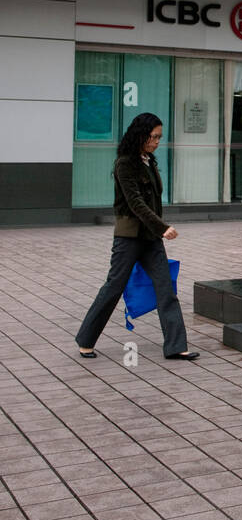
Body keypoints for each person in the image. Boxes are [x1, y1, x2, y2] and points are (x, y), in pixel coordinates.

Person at [76, 113, 198, 360]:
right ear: (140, 135)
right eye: (153, 137)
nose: (156, 142)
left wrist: (157, 231)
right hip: (129, 238)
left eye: (159, 137)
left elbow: (152, 201)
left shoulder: (149, 162)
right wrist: (163, 227)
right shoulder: (124, 164)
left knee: (166, 289)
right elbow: (136, 203)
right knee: (113, 288)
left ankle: (176, 346)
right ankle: (86, 340)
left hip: (151, 239)